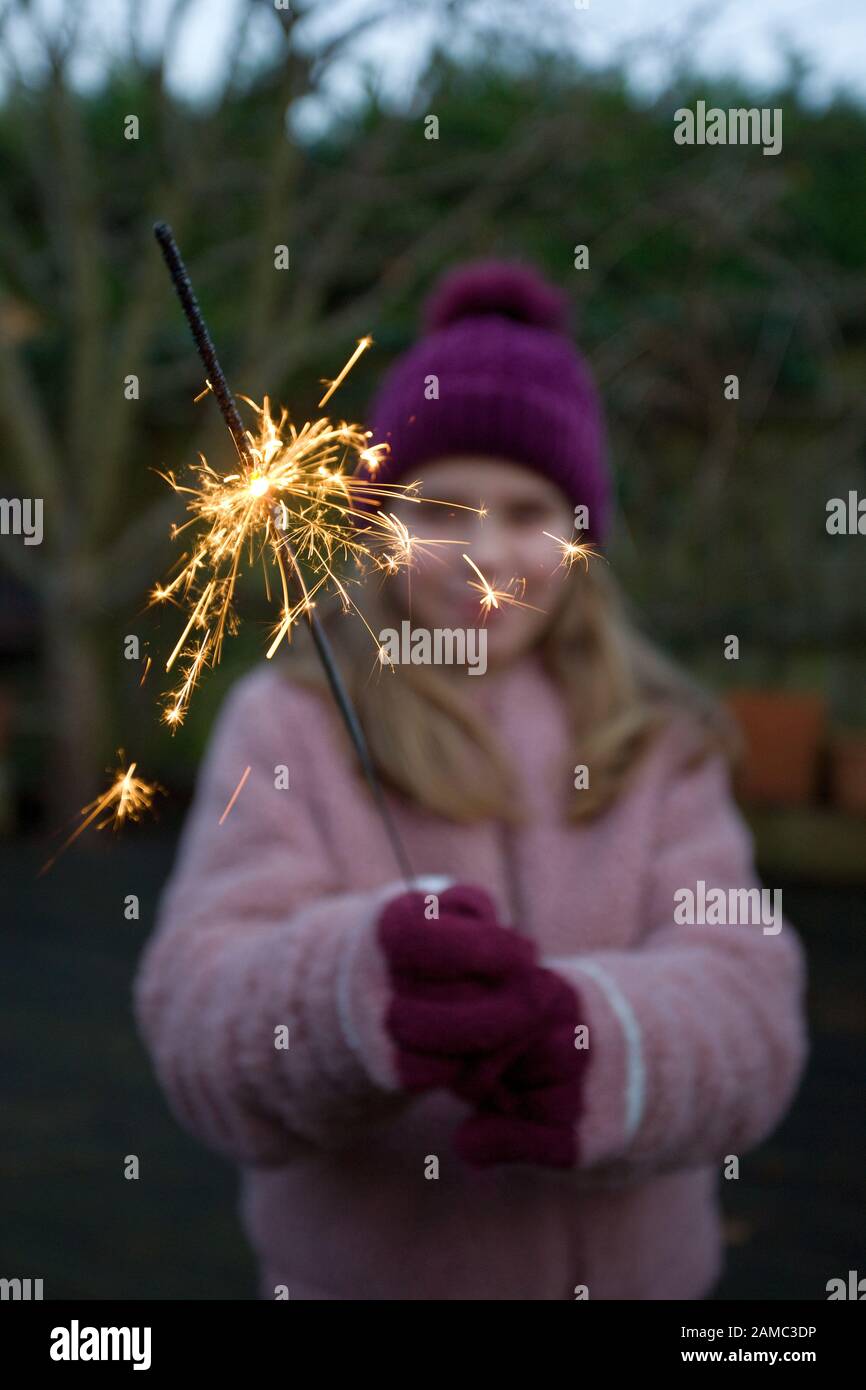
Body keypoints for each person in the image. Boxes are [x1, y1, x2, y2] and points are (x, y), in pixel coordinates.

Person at [132, 260, 808, 1301]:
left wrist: (586, 1036)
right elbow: (198, 1020)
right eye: (438, 509)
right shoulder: (290, 724)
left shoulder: (660, 740)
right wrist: (354, 990)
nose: (484, 557)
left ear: (583, 536)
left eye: (526, 510)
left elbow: (751, 1008)